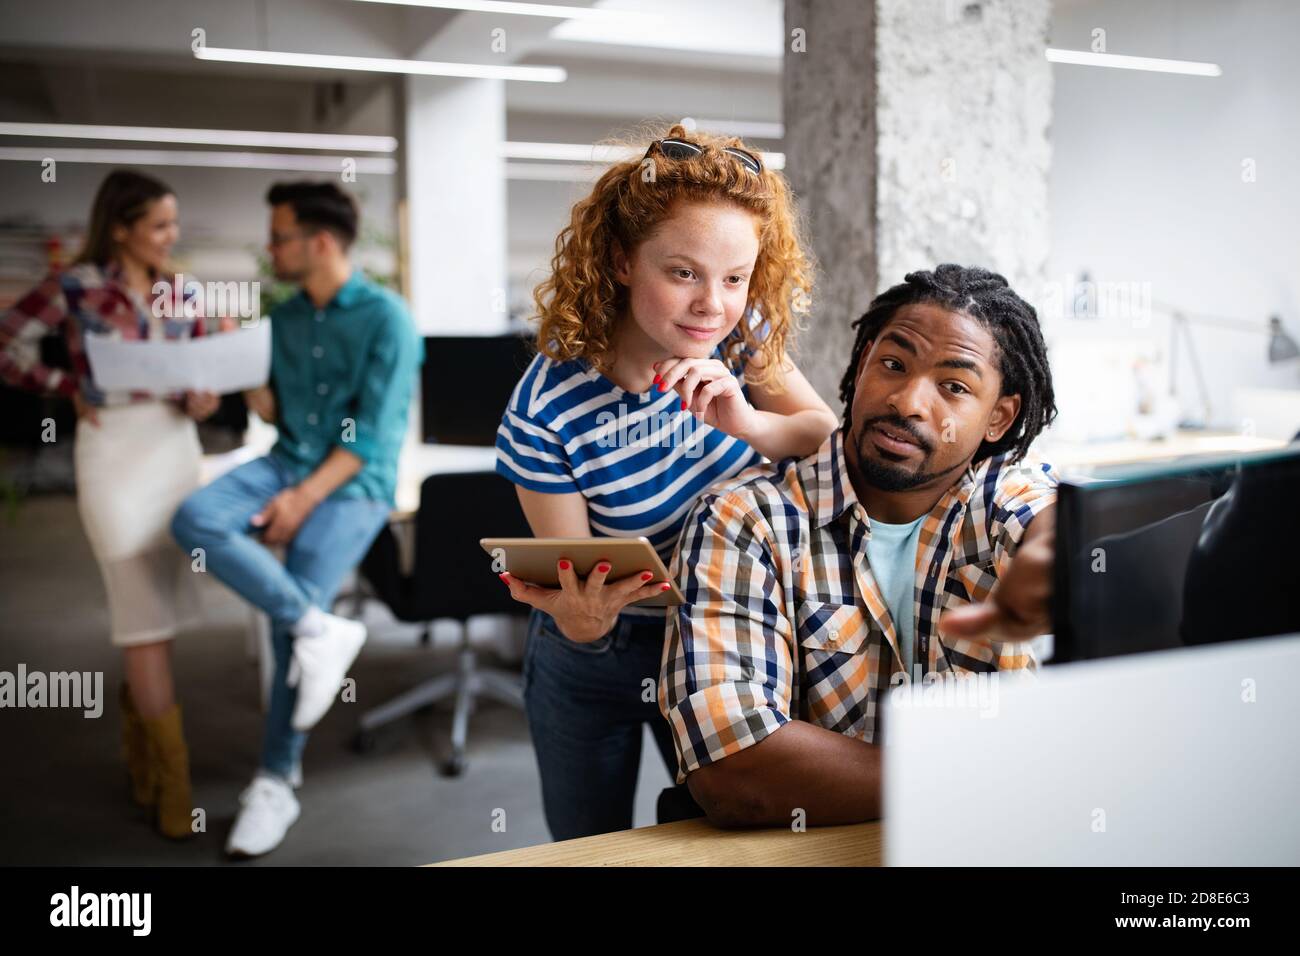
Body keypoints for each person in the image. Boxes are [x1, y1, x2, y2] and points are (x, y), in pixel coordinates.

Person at [494, 123, 839, 840]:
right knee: (589, 847)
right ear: (622, 262)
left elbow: (821, 437)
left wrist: (749, 422)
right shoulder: (546, 408)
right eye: (683, 273)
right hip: (602, 654)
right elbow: (574, 579)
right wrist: (583, 622)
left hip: (726, 637)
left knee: (729, 837)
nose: (713, 303)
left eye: (735, 278)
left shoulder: (740, 340)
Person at [661, 264, 1060, 826]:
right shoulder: (743, 519)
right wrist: (983, 781)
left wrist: (1063, 556)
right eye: (893, 364)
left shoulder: (1002, 502)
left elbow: (1051, 521)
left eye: (954, 387)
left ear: (999, 417)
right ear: (865, 358)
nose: (908, 402)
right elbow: (736, 771)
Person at [170, 181, 422, 857]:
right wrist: (232, 378)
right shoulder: (284, 318)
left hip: (353, 483)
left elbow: (369, 438)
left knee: (293, 609)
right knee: (196, 519)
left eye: (279, 237)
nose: (270, 248)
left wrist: (303, 498)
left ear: (320, 242)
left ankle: (276, 779)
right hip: (286, 460)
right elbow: (278, 412)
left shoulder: (387, 318)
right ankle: (320, 629)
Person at [0, 169, 221, 839]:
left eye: (173, 223)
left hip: (175, 451)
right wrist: (67, 383)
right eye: (159, 224)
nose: (171, 235)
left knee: (159, 618)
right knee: (142, 618)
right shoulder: (74, 287)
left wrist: (204, 398)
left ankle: (143, 760)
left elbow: (204, 374)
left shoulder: (184, 291)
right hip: (113, 457)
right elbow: (7, 343)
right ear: (121, 228)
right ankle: (175, 784)